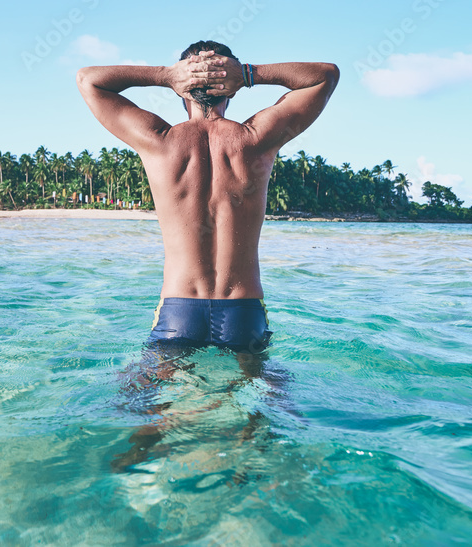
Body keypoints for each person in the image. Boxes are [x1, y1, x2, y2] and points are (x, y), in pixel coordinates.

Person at [77, 40, 339, 352]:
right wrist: (247, 74)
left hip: (180, 309)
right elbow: (325, 76)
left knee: (146, 396)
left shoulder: (159, 141)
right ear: (230, 90)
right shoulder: (256, 139)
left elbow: (88, 79)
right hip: (243, 310)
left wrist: (166, 76)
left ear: (182, 90)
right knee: (263, 395)